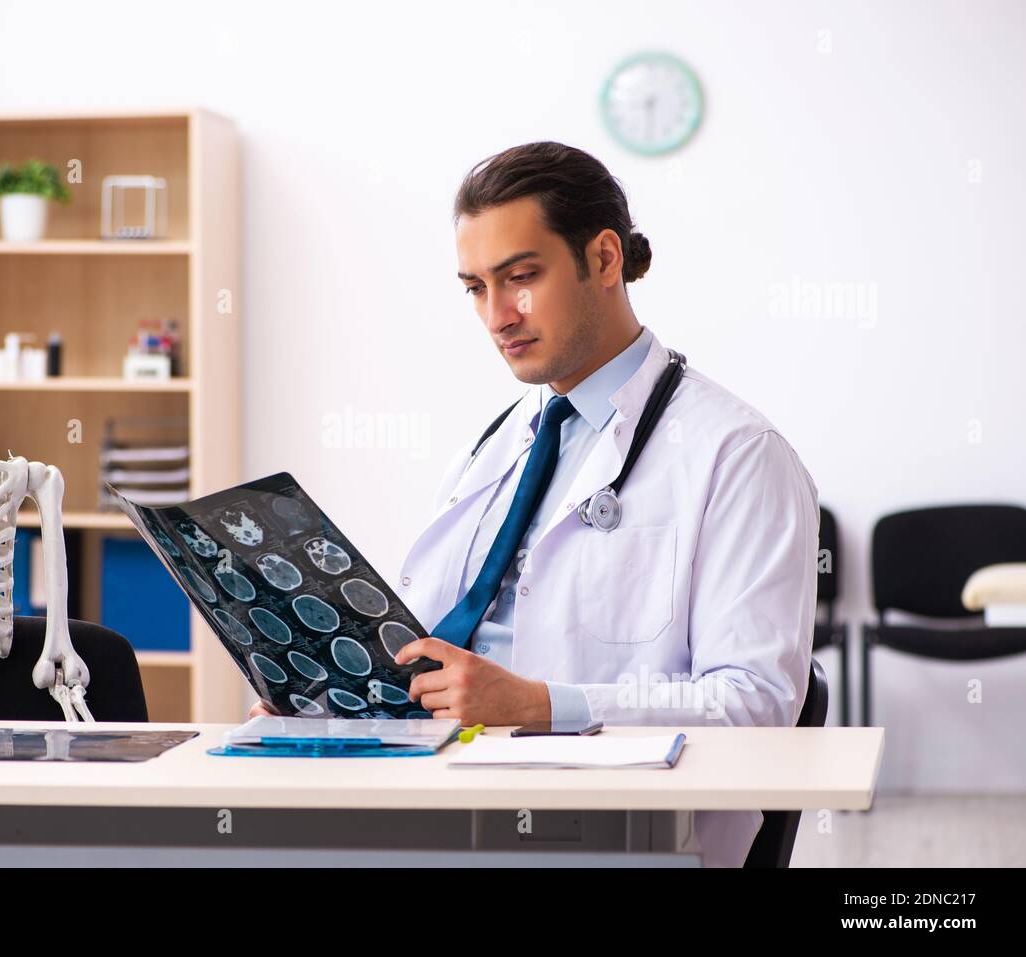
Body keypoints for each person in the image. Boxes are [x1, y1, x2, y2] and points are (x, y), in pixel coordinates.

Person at [254, 141, 819, 867]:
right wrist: (330, 698)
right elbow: (431, 641)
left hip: (612, 831)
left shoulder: (738, 453)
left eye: (521, 277)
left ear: (606, 259)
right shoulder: (501, 442)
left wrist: (542, 706)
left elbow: (754, 702)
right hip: (441, 794)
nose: (498, 315)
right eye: (475, 288)